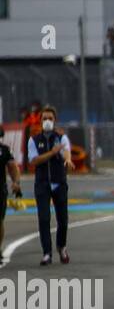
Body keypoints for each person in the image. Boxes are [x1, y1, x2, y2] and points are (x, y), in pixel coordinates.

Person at [27, 105, 73, 266]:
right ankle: (47, 253)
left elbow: (66, 151)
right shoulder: (33, 140)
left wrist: (67, 159)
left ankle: (62, 247)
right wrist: (52, 153)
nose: (47, 121)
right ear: (40, 121)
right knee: (44, 218)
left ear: (55, 121)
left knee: (63, 219)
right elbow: (34, 160)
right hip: (42, 184)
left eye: (50, 119)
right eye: (44, 118)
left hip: (59, 183)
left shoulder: (61, 138)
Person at [0, 140, 22, 263]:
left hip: (0, 189)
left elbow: (13, 167)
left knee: (0, 220)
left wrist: (16, 182)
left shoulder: (4, 150)